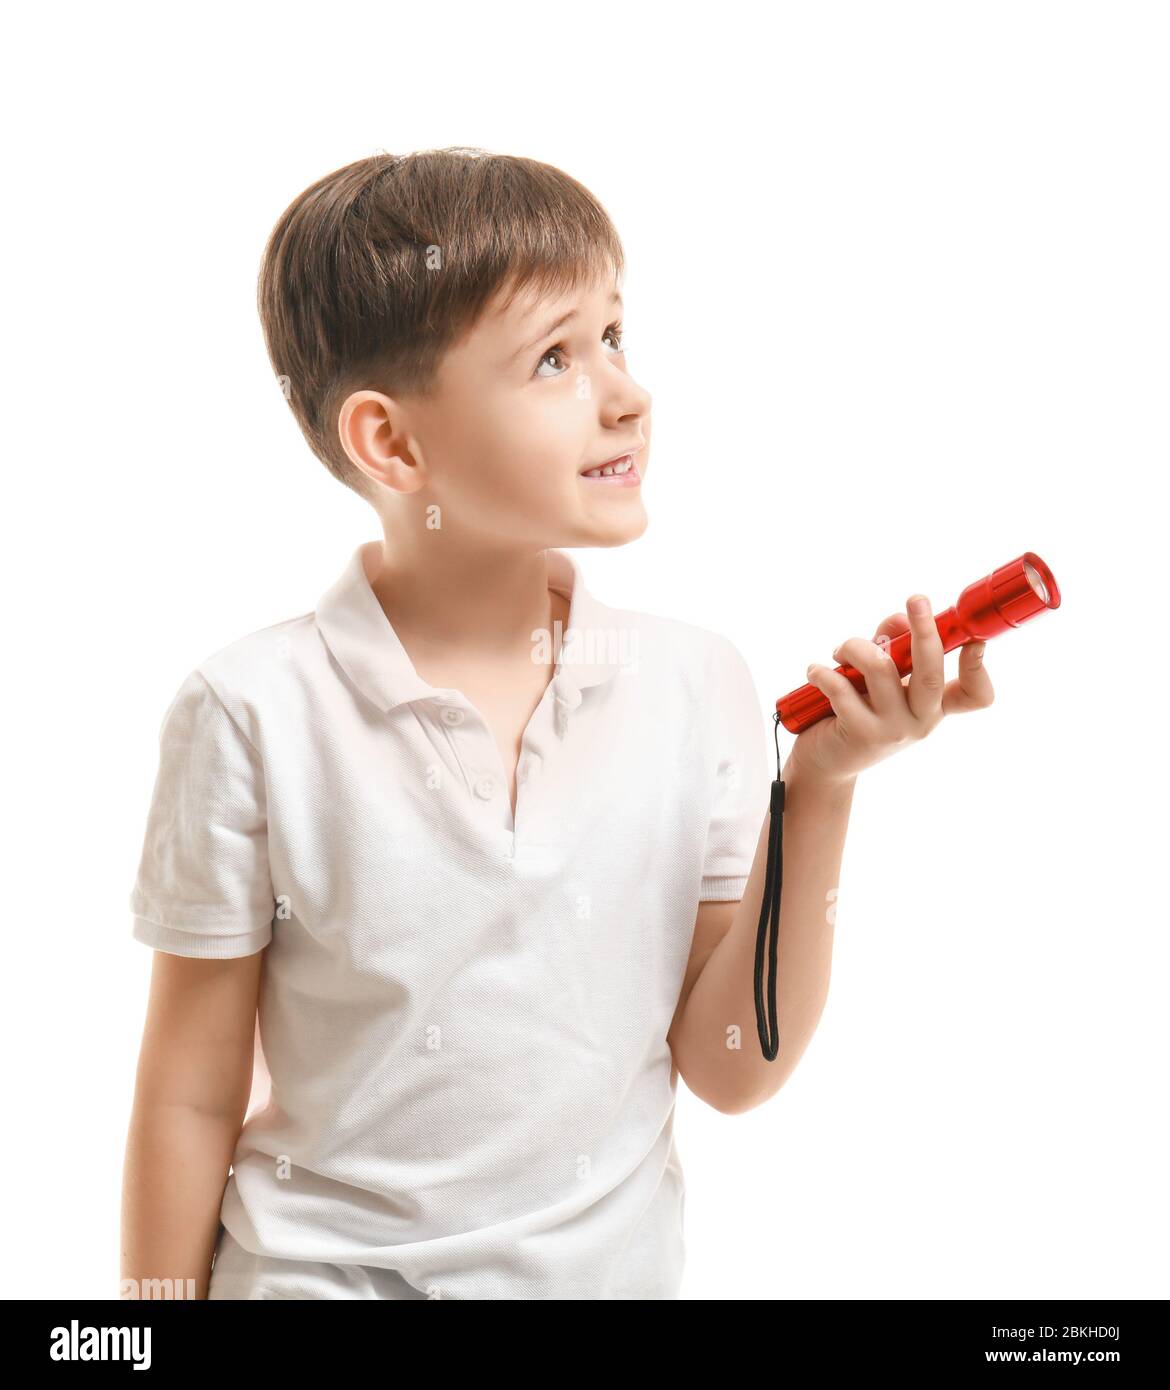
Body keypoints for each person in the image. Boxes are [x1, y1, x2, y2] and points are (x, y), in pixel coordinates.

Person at [120, 147, 994, 1301]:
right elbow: (188, 1093)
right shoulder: (250, 710)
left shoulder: (693, 684)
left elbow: (732, 1070)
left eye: (615, 337)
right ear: (391, 444)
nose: (626, 394)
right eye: (553, 358)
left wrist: (823, 784)